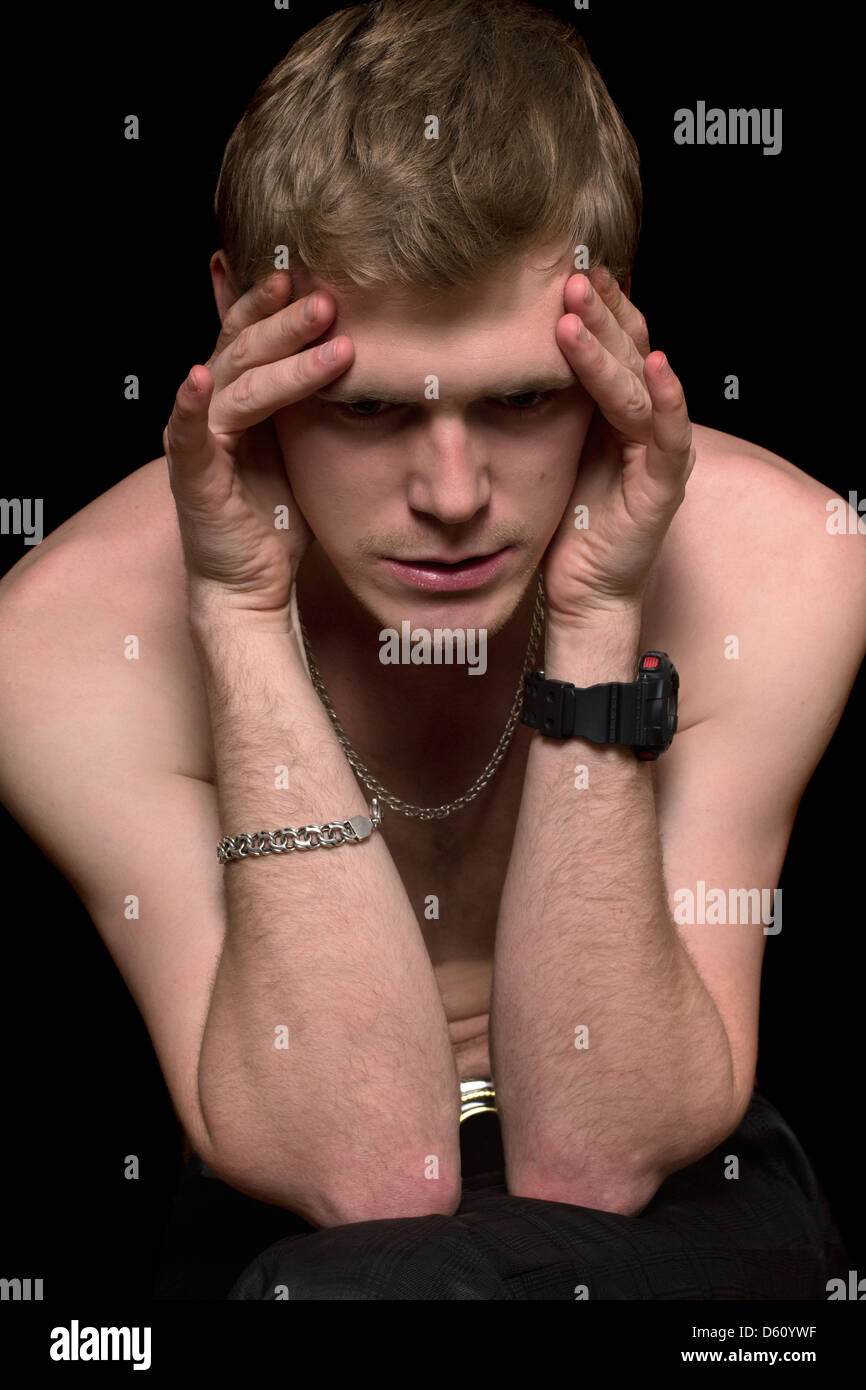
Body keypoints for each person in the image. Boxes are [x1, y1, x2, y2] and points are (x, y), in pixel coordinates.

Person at [0, 0, 861, 1300]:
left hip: (677, 1208)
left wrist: (593, 615)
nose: (452, 491)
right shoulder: (58, 638)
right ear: (238, 328)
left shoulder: (781, 557)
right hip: (298, 1211)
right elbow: (368, 1171)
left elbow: (600, 1152)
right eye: (358, 407)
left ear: (615, 329)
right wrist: (237, 619)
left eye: (521, 400)